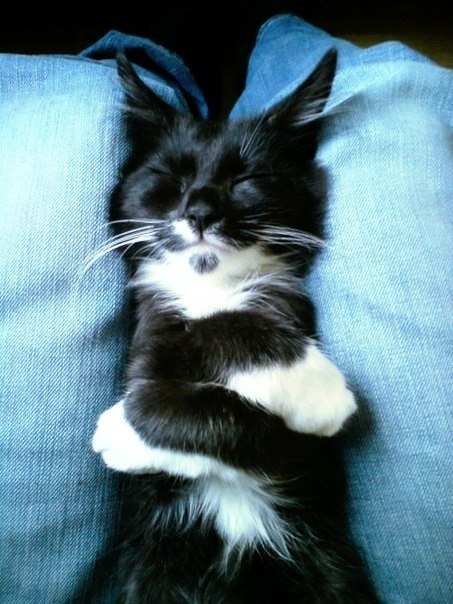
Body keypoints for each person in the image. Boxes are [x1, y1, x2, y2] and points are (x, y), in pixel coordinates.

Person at [1, 15, 451, 603]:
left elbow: (268, 430)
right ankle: (270, 40)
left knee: (73, 97)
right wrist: (256, 368)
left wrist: (164, 417)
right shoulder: (155, 301)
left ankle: (205, 53)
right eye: (173, 180)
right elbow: (293, 417)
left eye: (241, 183)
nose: (200, 208)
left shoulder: (282, 292)